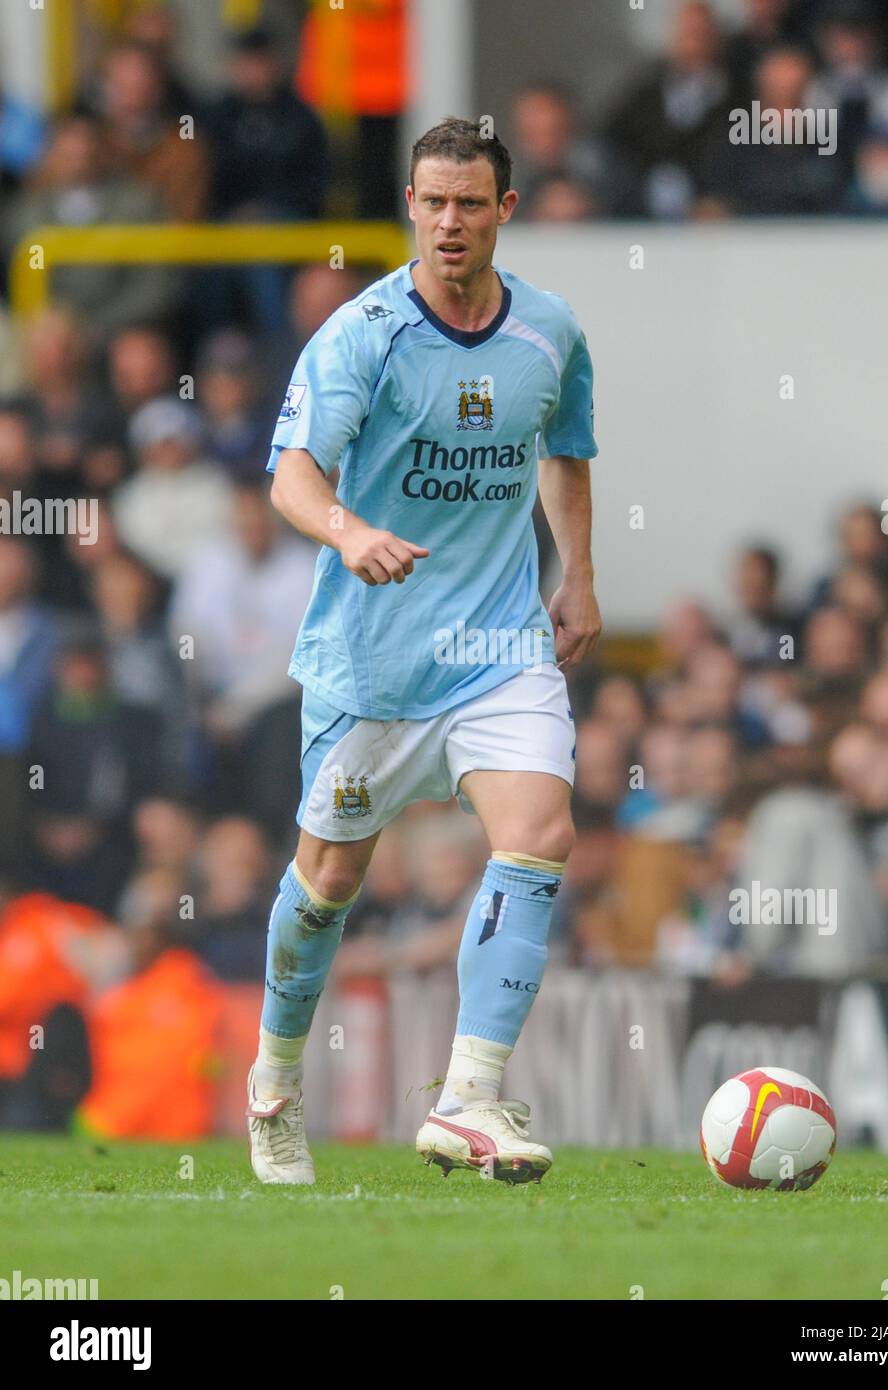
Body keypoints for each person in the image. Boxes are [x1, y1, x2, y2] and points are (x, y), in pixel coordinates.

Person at [246, 116, 600, 1185]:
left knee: (539, 829)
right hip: (376, 666)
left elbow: (567, 450)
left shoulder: (550, 331)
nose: (449, 221)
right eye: (432, 201)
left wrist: (576, 573)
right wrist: (350, 531)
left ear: (505, 210)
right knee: (327, 882)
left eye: (470, 202)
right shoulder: (361, 334)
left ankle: (467, 1097)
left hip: (499, 642)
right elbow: (292, 475)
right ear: (410, 205)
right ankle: (273, 1081)